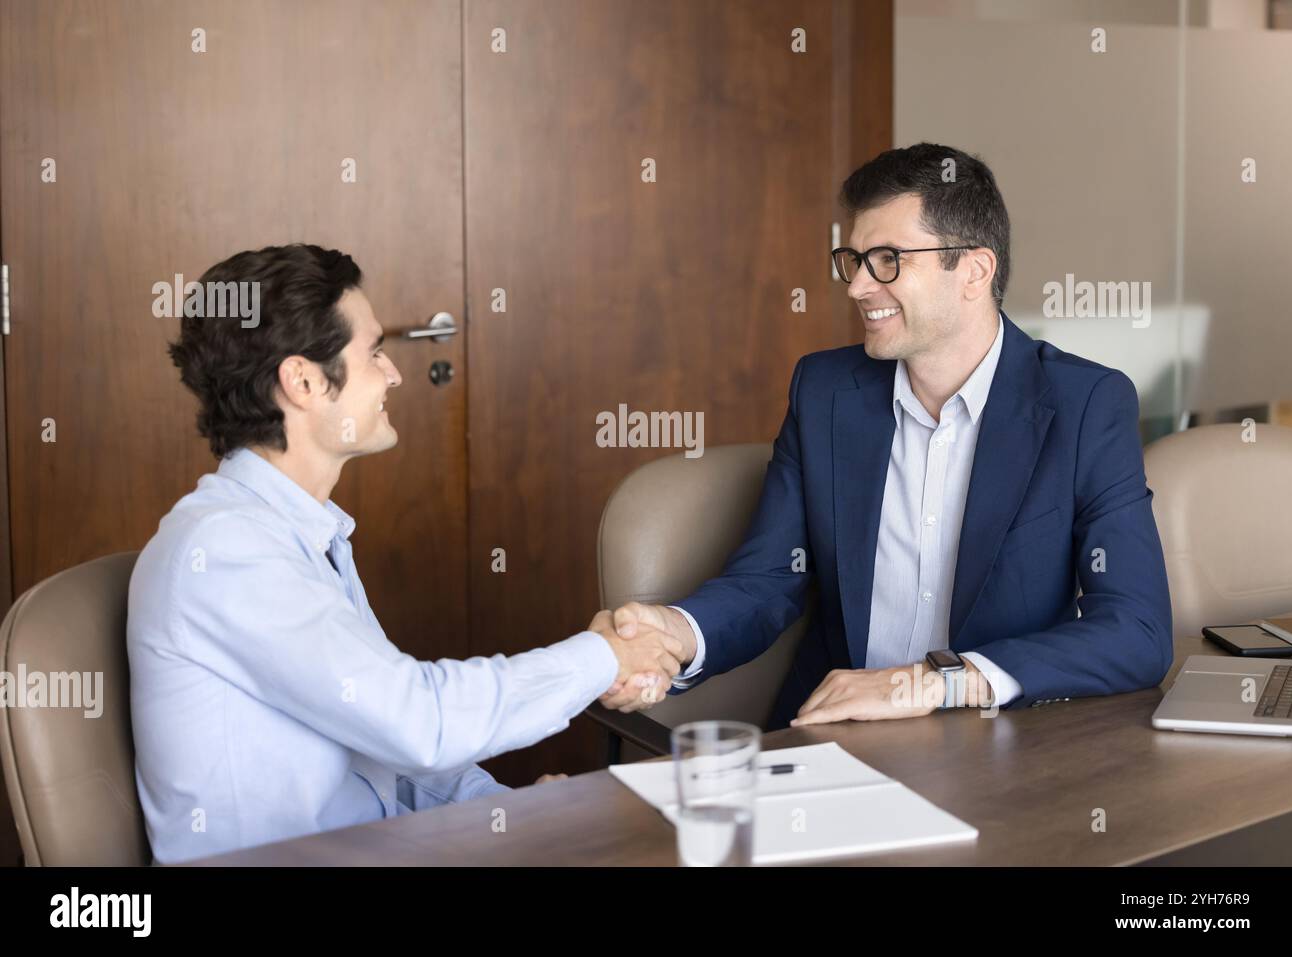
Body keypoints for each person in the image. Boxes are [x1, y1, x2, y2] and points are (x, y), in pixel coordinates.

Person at [128, 244, 683, 863]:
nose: (393, 374)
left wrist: (506, 811)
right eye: (374, 353)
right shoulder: (227, 550)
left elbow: (382, 749)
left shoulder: (300, 533)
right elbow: (421, 724)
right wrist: (607, 657)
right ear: (304, 381)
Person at [601, 143, 1173, 728]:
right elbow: (769, 579)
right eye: (853, 260)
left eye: (888, 260)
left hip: (1000, 747)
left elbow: (1137, 630)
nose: (857, 287)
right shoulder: (824, 391)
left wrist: (935, 682)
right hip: (837, 740)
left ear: (974, 270)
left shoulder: (1085, 405)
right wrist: (677, 633)